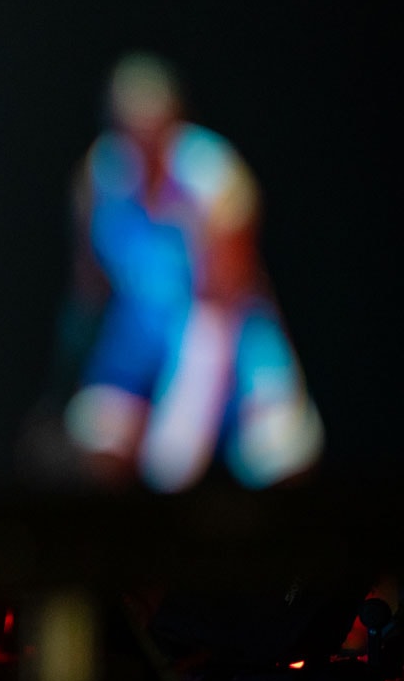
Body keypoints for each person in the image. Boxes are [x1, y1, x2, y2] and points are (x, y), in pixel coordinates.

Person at [55, 53, 323, 492]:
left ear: (174, 121)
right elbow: (89, 285)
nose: (142, 142)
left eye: (153, 129)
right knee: (95, 438)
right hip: (138, 338)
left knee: (277, 453)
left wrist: (180, 424)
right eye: (129, 128)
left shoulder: (215, 179)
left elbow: (221, 301)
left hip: (225, 338)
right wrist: (71, 367)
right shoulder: (97, 177)